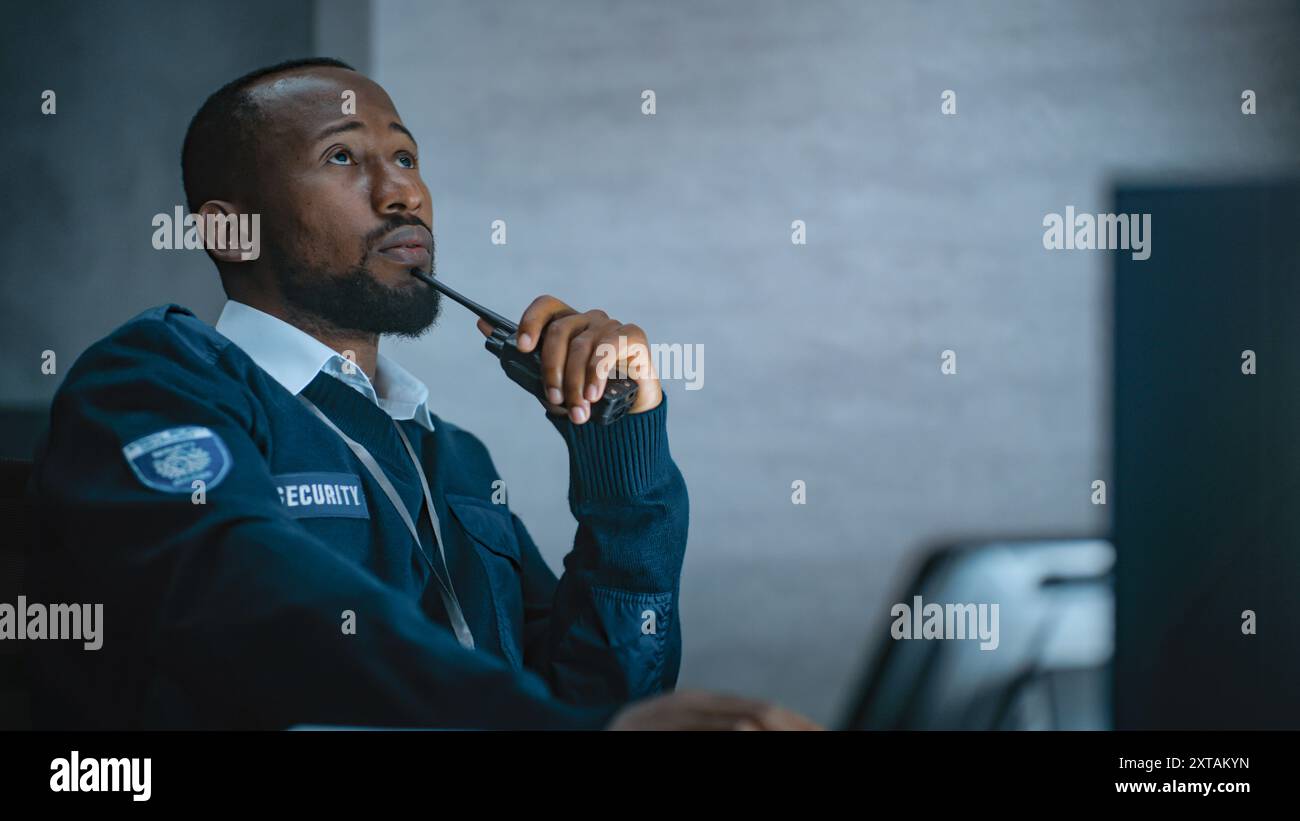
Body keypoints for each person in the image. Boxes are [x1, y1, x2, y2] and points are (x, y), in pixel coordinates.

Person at [26, 57, 819, 731]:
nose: (400, 193)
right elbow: (246, 598)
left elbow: (601, 699)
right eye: (342, 158)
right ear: (231, 229)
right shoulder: (155, 379)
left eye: (406, 158)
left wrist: (619, 457)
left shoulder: (453, 456)